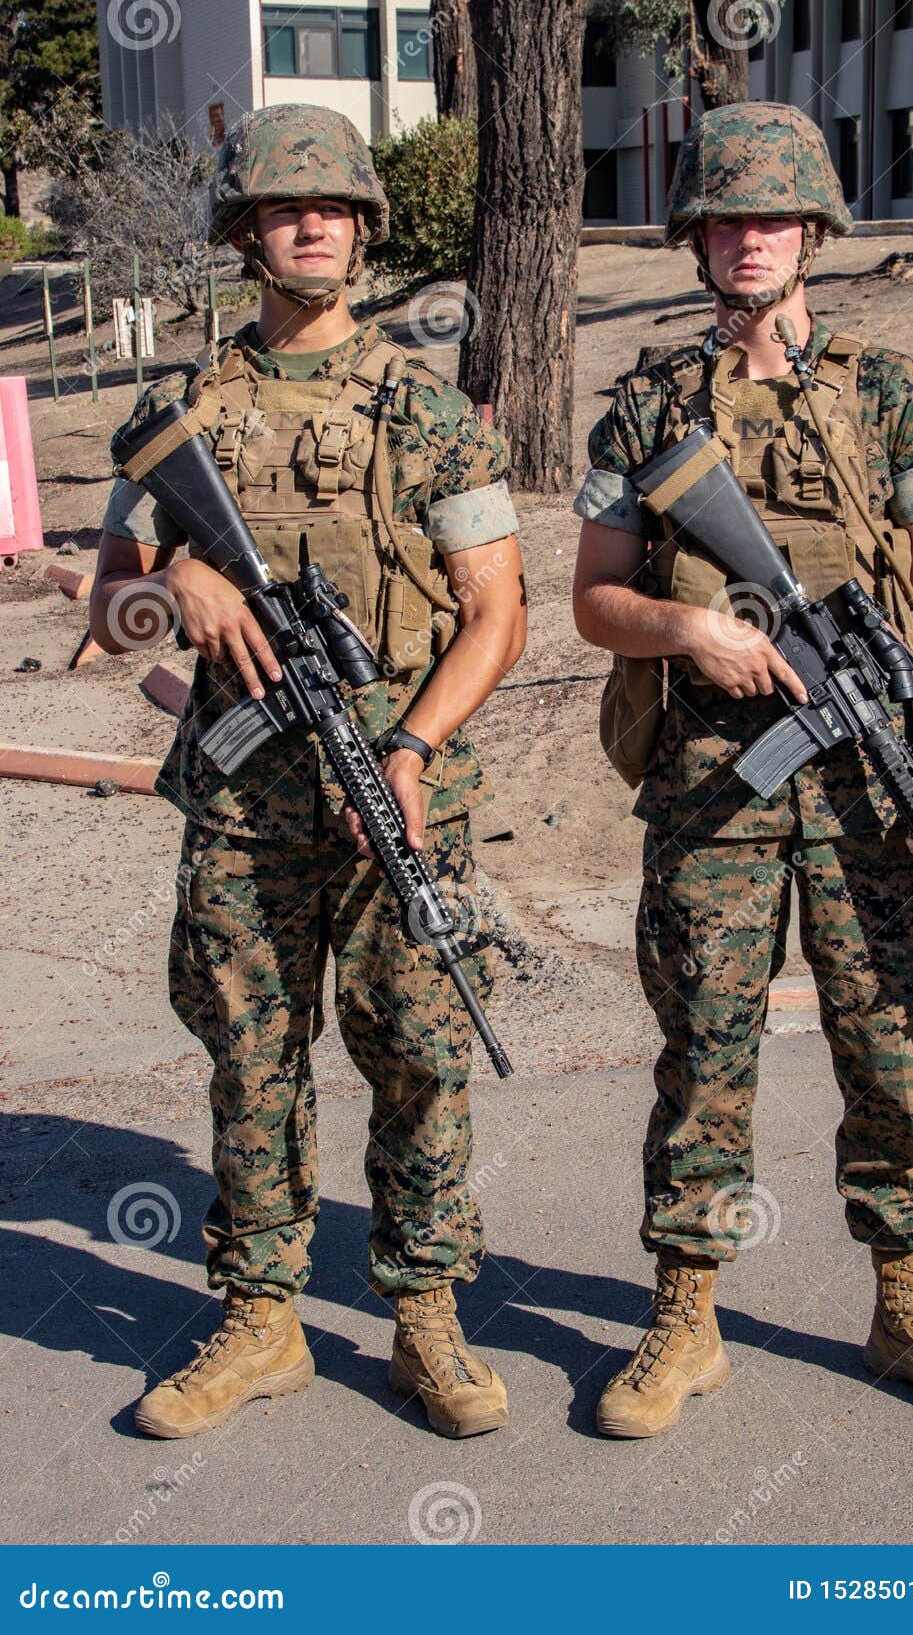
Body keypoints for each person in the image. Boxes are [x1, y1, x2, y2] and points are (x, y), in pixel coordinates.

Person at [571, 101, 913, 1436]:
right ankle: (685, 1314)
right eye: (726, 217)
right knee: (703, 1045)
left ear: (811, 229)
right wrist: (687, 625)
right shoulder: (646, 405)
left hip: (873, 775)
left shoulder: (888, 390)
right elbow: (591, 599)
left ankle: (906, 1300)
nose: (749, 238)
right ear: (696, 234)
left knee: (890, 1043)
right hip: (713, 779)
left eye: (772, 217)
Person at [91, 104, 526, 1441]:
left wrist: (409, 746)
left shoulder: (429, 409)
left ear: (363, 228)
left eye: (334, 208)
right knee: (249, 1052)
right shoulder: (182, 413)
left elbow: (497, 613)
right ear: (246, 234)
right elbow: (109, 610)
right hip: (242, 797)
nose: (314, 225)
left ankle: (424, 1318)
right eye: (287, 210)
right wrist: (179, 577)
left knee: (416, 1049)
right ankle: (262, 1316)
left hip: (397, 788)